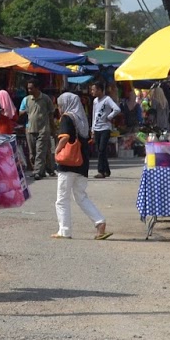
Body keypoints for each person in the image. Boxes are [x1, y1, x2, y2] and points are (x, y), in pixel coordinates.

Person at [52, 91, 109, 240]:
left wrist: (56, 151)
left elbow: (65, 138)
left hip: (68, 163)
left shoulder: (66, 117)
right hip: (82, 163)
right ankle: (99, 221)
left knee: (62, 198)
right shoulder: (81, 119)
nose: (59, 108)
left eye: (60, 105)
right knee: (81, 196)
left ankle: (64, 230)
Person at [19, 79, 56, 179]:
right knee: (32, 153)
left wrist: (53, 129)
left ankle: (37, 172)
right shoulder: (26, 100)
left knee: (40, 151)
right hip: (30, 129)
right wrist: (25, 112)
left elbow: (51, 114)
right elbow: (20, 112)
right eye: (28, 88)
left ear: (37, 88)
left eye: (31, 88)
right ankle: (43, 169)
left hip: (43, 129)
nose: (29, 90)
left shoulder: (45, 98)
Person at [90, 81, 123, 179]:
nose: (92, 91)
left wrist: (109, 117)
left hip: (105, 128)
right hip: (97, 128)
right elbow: (94, 115)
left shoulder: (107, 99)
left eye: (94, 89)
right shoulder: (95, 101)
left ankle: (101, 171)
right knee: (101, 151)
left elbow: (117, 109)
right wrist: (92, 129)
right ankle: (107, 170)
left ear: (100, 90)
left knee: (101, 149)